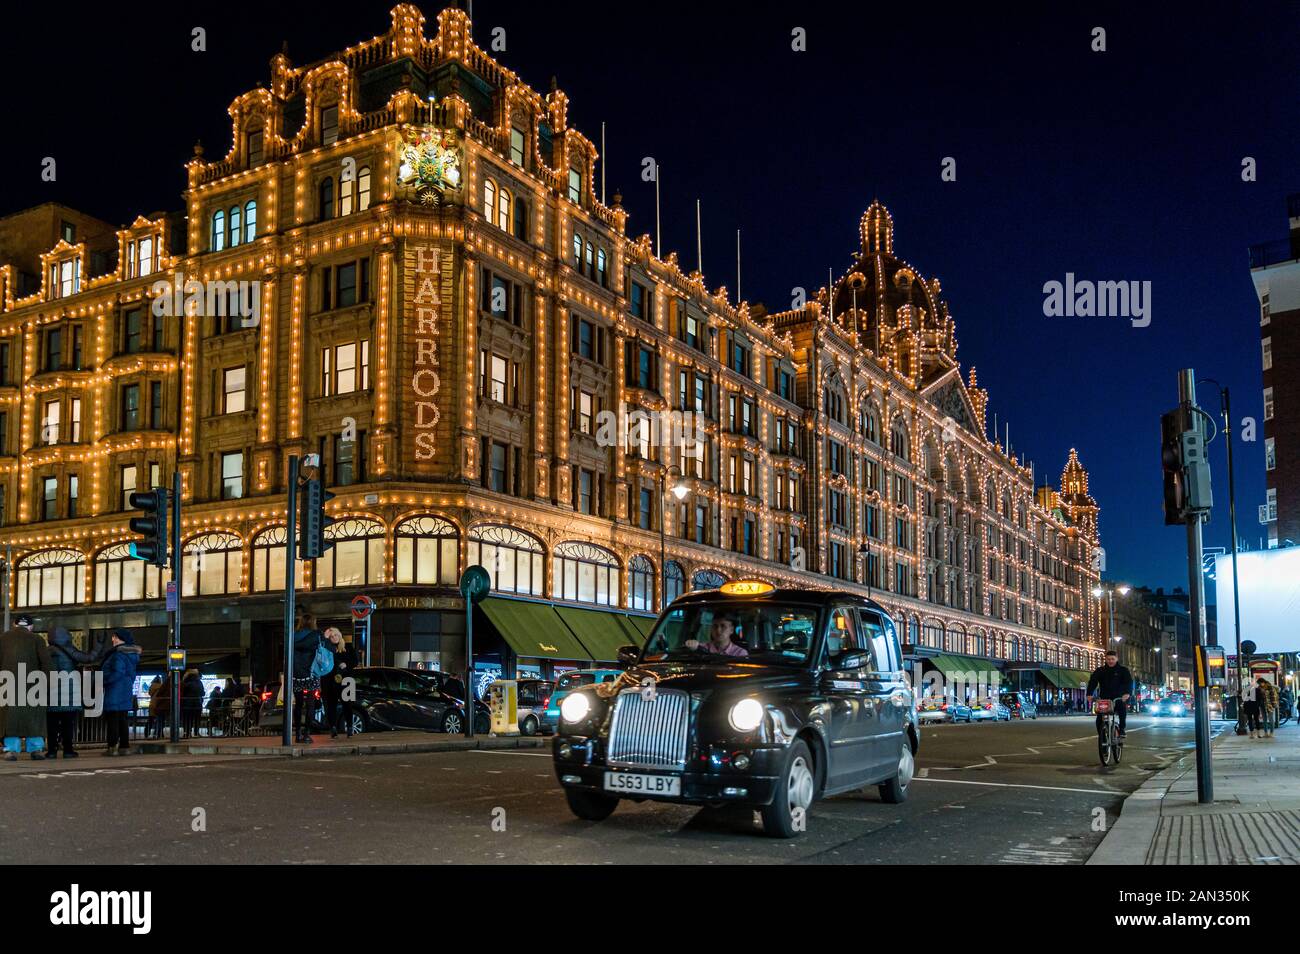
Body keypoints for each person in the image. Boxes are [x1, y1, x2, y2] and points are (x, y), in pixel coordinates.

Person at [0, 615, 52, 761]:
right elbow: (46, 663)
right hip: (33, 686)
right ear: (31, 627)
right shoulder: (37, 640)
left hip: (7, 687)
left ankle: (11, 750)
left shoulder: (3, 639)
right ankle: (36, 750)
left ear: (14, 624)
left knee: (10, 719)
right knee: (34, 720)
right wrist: (47, 683)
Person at [46, 627, 98, 759]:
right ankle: (68, 750)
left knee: (52, 725)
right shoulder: (70, 650)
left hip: (50, 695)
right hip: (70, 695)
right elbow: (89, 658)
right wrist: (99, 646)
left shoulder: (46, 652)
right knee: (68, 725)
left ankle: (51, 751)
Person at [100, 629, 141, 756]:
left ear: (122, 639)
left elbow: (117, 672)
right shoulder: (131, 655)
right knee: (122, 718)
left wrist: (104, 679)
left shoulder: (118, 654)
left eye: (115, 637)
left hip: (114, 690)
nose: (113, 640)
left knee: (112, 719)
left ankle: (112, 747)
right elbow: (130, 675)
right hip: (125, 690)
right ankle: (124, 746)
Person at [319, 627, 359, 738]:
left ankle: (350, 727)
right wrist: (325, 638)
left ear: (340, 635)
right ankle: (333, 728)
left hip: (347, 680)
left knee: (348, 705)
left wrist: (347, 664)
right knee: (331, 705)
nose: (334, 638)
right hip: (330, 680)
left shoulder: (348, 647)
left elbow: (355, 661)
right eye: (331, 636)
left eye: (336, 635)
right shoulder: (327, 648)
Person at [291, 612, 324, 744]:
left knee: (298, 704)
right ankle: (307, 734)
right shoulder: (316, 635)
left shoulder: (293, 635)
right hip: (311, 673)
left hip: (296, 674)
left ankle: (297, 733)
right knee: (310, 704)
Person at [1086, 649, 1134, 740]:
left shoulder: (1123, 670)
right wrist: (1089, 694)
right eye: (1108, 659)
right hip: (1105, 699)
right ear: (1105, 659)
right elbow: (1093, 682)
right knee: (1099, 719)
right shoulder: (1100, 670)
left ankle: (1122, 729)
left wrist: (1127, 693)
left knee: (1122, 711)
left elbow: (1129, 682)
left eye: (1112, 659)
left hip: (1118, 698)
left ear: (1116, 659)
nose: (1110, 661)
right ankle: (1102, 737)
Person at [684, 615, 749, 657]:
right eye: (715, 626)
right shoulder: (700, 648)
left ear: (731, 630)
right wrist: (691, 646)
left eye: (723, 626)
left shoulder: (740, 654)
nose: (718, 630)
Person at [180, 669, 205, 738]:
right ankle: (196, 733)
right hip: (198, 703)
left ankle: (187, 733)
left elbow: (182, 692)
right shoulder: (199, 682)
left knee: (187, 719)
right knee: (197, 719)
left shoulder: (186, 682)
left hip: (187, 703)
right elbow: (203, 693)